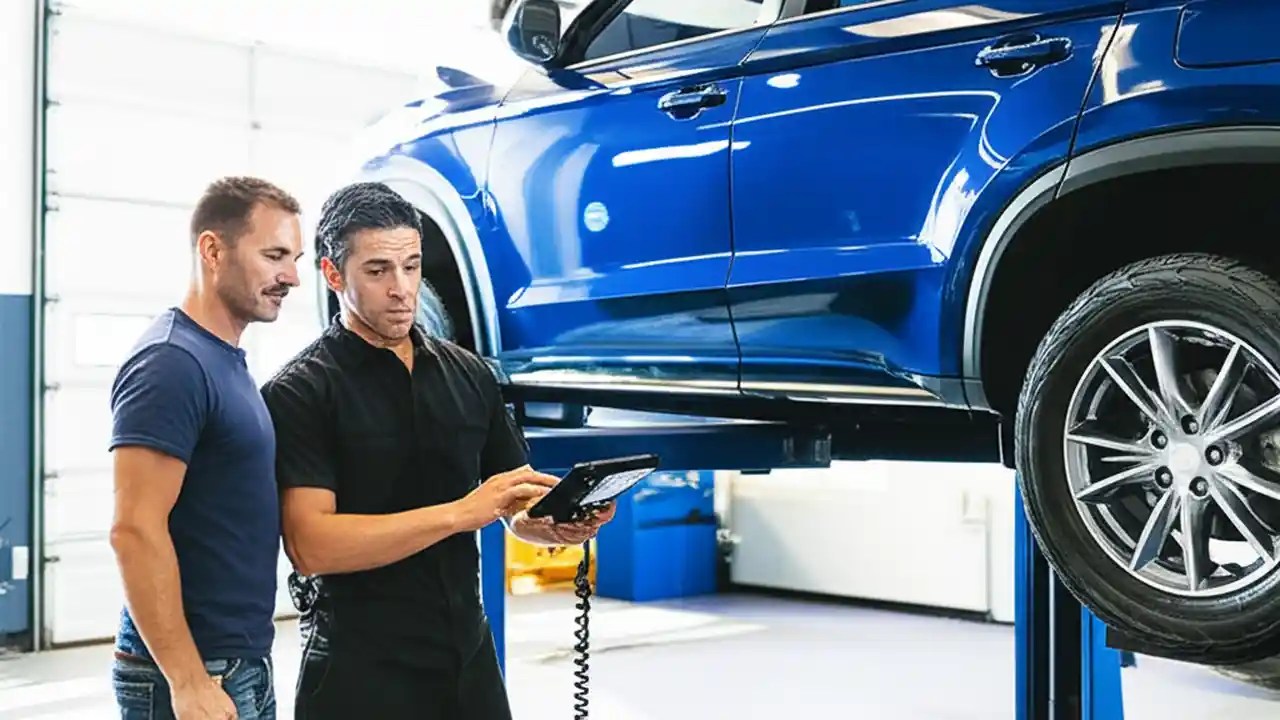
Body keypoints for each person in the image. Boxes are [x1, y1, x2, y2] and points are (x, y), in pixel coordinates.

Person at [260, 182, 616, 720]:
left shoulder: (470, 375)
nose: (402, 289)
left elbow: (513, 501)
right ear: (333, 275)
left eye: (412, 266)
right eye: (378, 271)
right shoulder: (301, 392)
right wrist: (460, 514)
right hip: (360, 670)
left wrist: (549, 522)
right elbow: (314, 546)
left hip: (466, 657)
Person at [108, 177, 304, 720]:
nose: (291, 276)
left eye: (295, 258)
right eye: (274, 256)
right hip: (195, 670)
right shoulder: (171, 363)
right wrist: (188, 680)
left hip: (237, 663)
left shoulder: (223, 357)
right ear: (213, 250)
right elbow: (134, 529)